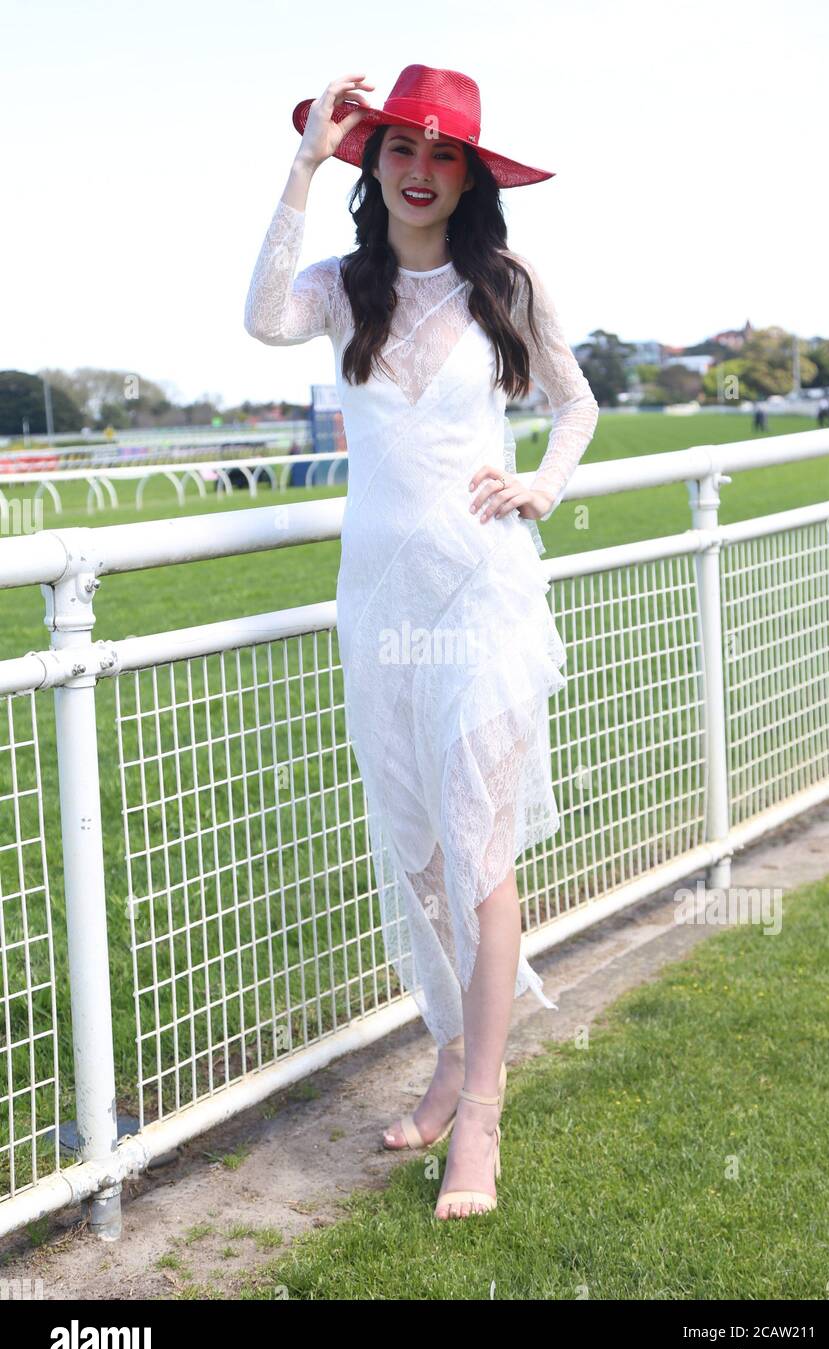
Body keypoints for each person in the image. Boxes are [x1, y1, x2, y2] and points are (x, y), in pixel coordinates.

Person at [243, 66, 599, 1219]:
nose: (419, 170)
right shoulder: (341, 290)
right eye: (400, 148)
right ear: (372, 161)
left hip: (482, 599)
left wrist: (541, 484)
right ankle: (450, 1052)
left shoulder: (506, 280)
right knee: (418, 854)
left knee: (479, 857)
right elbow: (257, 319)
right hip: (378, 605)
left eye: (444, 154)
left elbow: (573, 403)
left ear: (470, 175)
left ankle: (480, 1118)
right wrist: (302, 162)